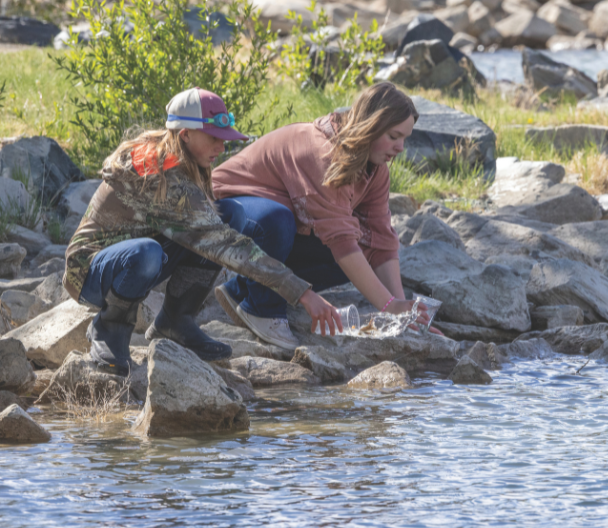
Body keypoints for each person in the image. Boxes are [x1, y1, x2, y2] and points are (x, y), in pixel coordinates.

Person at [63, 87, 343, 376]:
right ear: (185, 134)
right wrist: (304, 293)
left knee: (227, 215)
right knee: (151, 251)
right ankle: (110, 327)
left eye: (224, 140)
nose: (221, 148)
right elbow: (225, 245)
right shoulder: (159, 174)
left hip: (134, 257)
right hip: (88, 273)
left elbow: (210, 231)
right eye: (214, 139)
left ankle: (175, 321)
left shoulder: (183, 158)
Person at [212, 82, 437, 349]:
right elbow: (340, 239)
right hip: (224, 210)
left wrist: (402, 314)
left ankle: (241, 288)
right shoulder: (323, 154)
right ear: (370, 125)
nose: (400, 147)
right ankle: (261, 308)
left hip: (270, 227)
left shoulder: (376, 171)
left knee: (362, 243)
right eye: (393, 136)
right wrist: (389, 304)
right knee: (277, 220)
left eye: (405, 138)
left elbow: (380, 241)